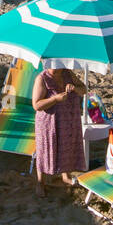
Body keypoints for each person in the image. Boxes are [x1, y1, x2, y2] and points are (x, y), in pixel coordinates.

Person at [32, 67, 86, 195]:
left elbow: (83, 90)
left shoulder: (68, 74)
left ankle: (65, 176)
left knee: (65, 148)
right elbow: (36, 105)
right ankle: (40, 182)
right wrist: (55, 99)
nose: (54, 68)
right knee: (44, 151)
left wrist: (74, 88)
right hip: (48, 123)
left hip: (67, 119)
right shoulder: (42, 79)